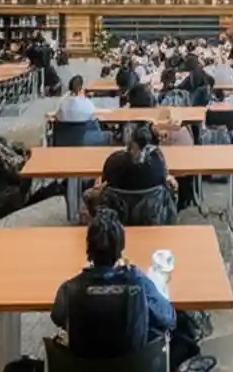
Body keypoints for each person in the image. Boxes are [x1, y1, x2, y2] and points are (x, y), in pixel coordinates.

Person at [51, 208, 176, 360]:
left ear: (88, 247)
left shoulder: (70, 289)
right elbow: (168, 318)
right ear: (121, 248)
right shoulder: (137, 284)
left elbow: (58, 317)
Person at [102, 125, 170, 191]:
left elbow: (104, 183)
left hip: (116, 202)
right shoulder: (159, 163)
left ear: (128, 143)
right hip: (153, 202)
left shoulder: (112, 163)